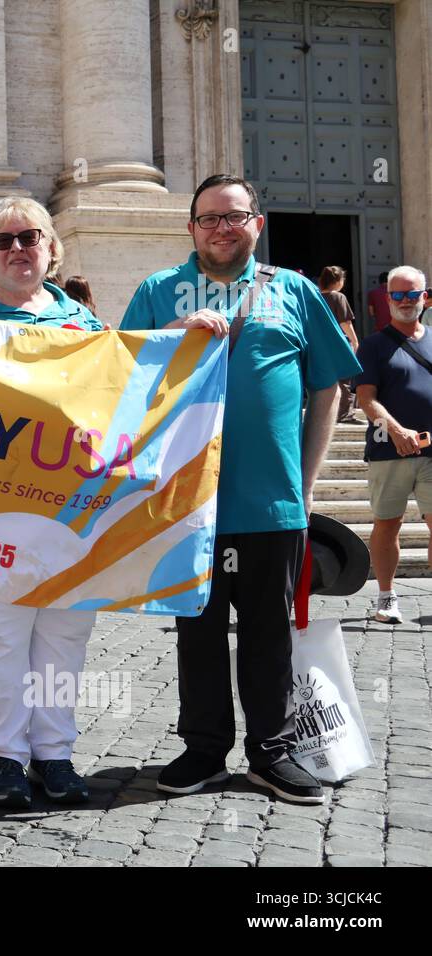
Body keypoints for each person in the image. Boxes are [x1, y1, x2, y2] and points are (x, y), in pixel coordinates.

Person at [118, 173, 361, 805]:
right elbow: (123, 383)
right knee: (195, 630)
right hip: (186, 503)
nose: (223, 227)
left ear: (257, 223)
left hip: (270, 500)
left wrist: (303, 485)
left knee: (268, 630)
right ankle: (202, 747)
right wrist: (172, 342)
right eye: (209, 218)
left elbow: (327, 388)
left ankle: (271, 752)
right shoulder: (157, 292)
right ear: (191, 227)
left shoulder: (297, 291)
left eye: (235, 216)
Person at [0, 197, 102, 808]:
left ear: (52, 249)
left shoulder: (86, 326)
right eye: (4, 240)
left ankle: (55, 752)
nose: (17, 249)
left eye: (29, 237)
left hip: (70, 508)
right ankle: (6, 756)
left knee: (64, 634)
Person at [354, 266, 432, 625]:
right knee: (388, 524)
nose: (405, 301)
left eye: (412, 294)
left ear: (425, 298)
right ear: (387, 300)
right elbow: (366, 400)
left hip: (431, 452)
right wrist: (397, 430)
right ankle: (386, 598)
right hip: (389, 451)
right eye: (397, 295)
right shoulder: (372, 346)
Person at [318, 266, 361, 423]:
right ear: (337, 281)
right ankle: (344, 414)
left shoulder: (315, 296)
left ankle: (323, 413)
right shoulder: (338, 297)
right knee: (344, 379)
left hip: (319, 344)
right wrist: (355, 341)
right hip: (338, 343)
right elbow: (345, 322)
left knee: (323, 380)